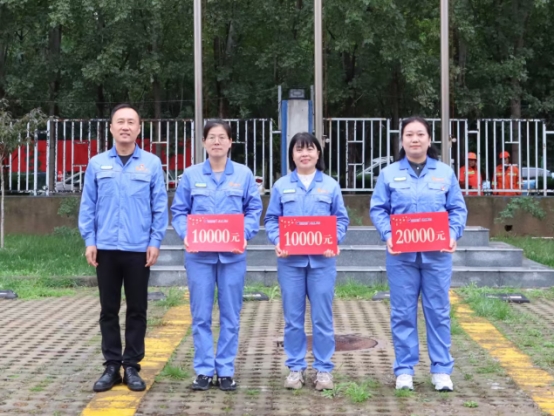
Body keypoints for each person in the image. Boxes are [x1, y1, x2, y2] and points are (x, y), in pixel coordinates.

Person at [370, 116, 467, 392]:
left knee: (438, 312)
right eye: (409, 134)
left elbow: (457, 209)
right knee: (402, 313)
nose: (415, 139)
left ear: (429, 139)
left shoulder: (444, 173)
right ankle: (404, 370)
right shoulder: (389, 174)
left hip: (437, 255)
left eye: (420, 134)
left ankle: (441, 370)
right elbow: (378, 209)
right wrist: (388, 234)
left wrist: (452, 233)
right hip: (401, 256)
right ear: (402, 140)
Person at [78, 103, 168, 392]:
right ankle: (111, 366)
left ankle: (131, 366)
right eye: (120, 121)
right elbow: (88, 205)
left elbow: (159, 206)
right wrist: (90, 241)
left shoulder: (151, 164)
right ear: (111, 128)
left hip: (138, 249)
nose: (125, 126)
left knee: (137, 309)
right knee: (108, 309)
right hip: (105, 247)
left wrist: (155, 241)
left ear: (139, 128)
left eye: (131, 122)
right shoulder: (97, 164)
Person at [171, 120, 262, 391]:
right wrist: (186, 234)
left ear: (230, 142)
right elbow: (179, 211)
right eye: (211, 137)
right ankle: (203, 370)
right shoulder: (191, 175)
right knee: (200, 315)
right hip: (199, 256)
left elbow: (253, 210)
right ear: (203, 142)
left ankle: (225, 370)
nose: (217, 142)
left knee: (230, 315)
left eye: (222, 137)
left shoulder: (244, 175)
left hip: (232, 256)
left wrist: (244, 235)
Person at [264, 132, 349, 391]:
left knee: (322, 318)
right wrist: (278, 240)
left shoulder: (330, 185)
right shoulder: (281, 186)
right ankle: (295, 368)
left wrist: (334, 240)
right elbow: (271, 219)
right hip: (290, 262)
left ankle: (323, 369)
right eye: (299, 149)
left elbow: (341, 219)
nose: (305, 154)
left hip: (322, 263)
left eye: (310, 149)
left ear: (318, 153)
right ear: (292, 155)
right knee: (293, 318)